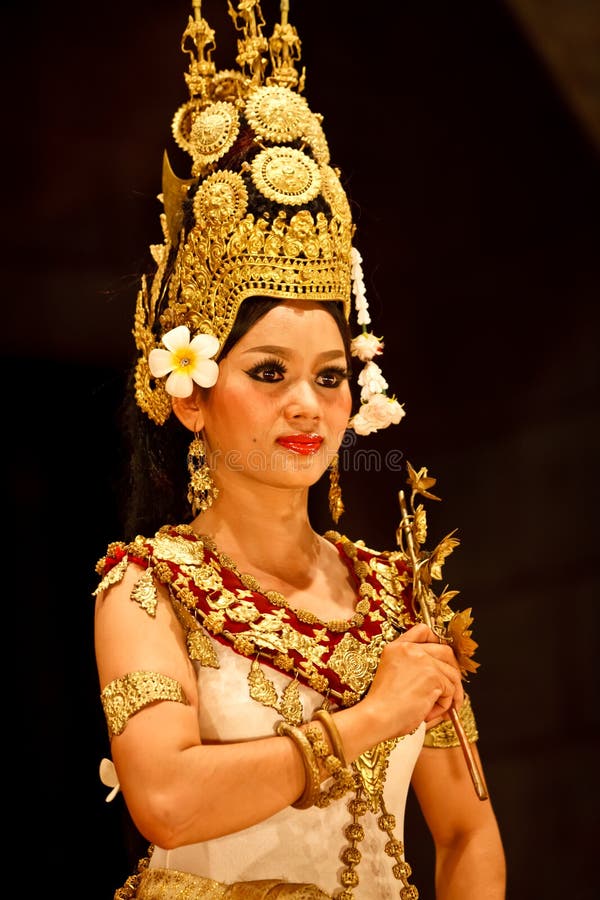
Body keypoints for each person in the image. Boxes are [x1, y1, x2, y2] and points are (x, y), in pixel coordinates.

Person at [93, 2, 506, 898]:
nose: (306, 406)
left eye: (329, 376)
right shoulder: (147, 586)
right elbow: (164, 799)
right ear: (192, 397)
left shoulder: (398, 595)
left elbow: (469, 831)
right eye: (270, 371)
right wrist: (373, 718)